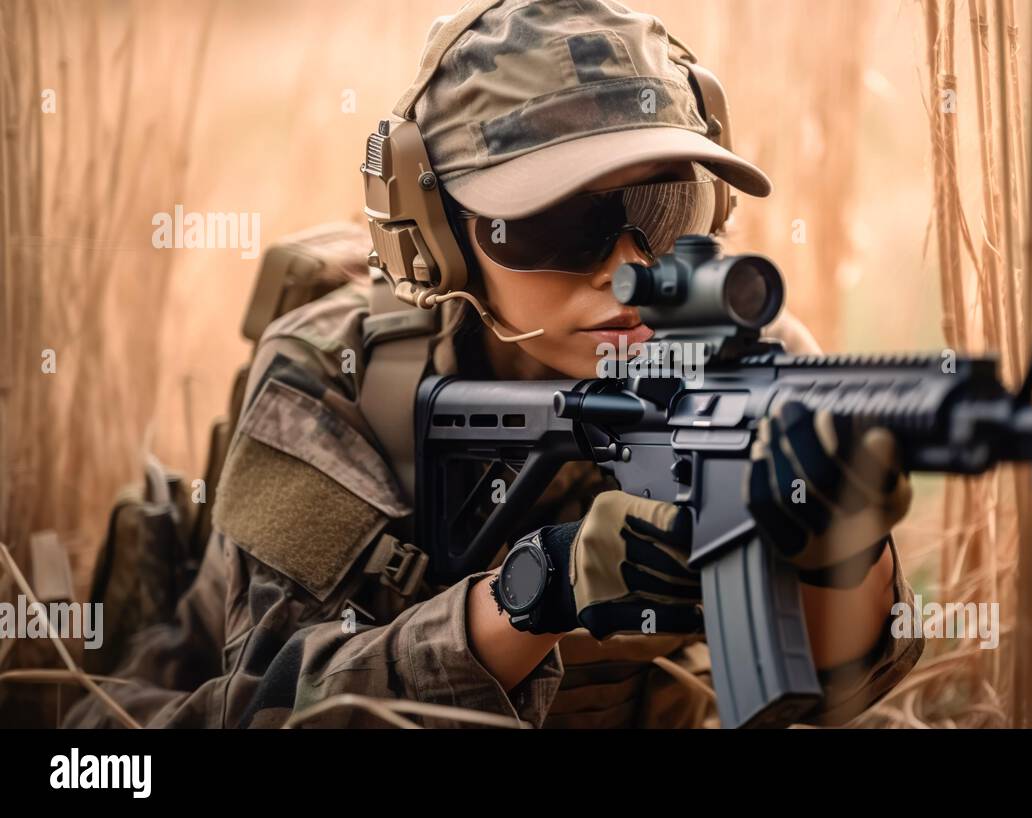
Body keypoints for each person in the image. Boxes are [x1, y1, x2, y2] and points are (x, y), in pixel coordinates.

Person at [65, 0, 922, 729]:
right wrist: (538, 592)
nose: (628, 266)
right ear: (439, 239)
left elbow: (829, 689)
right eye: (555, 224)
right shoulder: (341, 380)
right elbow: (271, 707)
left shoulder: (750, 369)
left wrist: (836, 550)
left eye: (663, 208)